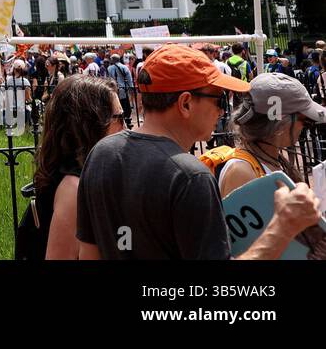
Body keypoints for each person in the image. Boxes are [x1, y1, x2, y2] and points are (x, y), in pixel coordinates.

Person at [75, 45, 321, 259]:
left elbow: (89, 253)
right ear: (185, 103)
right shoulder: (190, 177)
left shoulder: (101, 154)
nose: (222, 112)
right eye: (219, 100)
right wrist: (284, 227)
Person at [17, 76, 122, 260]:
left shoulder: (81, 175)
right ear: (91, 124)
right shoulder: (73, 189)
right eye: (119, 117)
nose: (126, 127)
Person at [217, 74, 326, 205]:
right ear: (280, 123)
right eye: (306, 121)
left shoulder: (269, 159)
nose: (304, 128)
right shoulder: (241, 172)